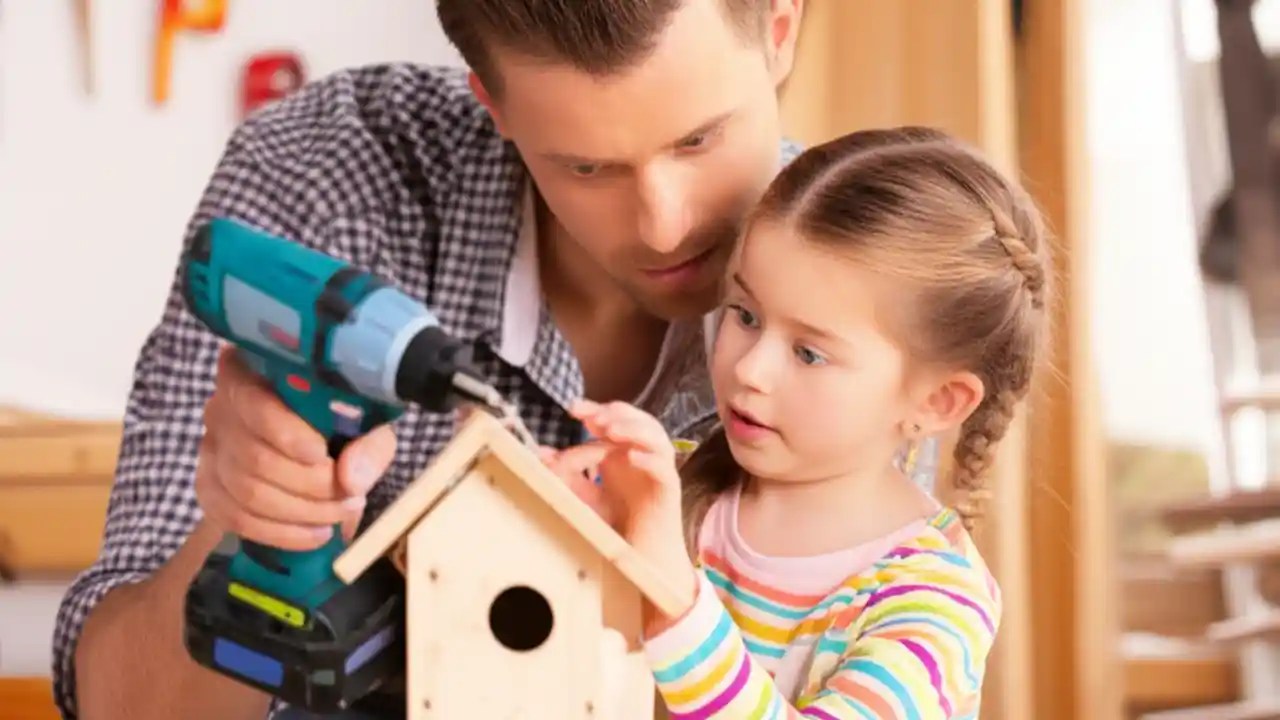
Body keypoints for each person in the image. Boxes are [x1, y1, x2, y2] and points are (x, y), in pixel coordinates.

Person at [51, 1, 836, 718]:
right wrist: (248, 522)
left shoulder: (875, 292)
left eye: (699, 139)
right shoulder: (324, 184)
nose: (664, 225)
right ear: (491, 103)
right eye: (587, 167)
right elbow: (116, 705)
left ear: (778, 28)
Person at [542, 126, 1052, 718]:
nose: (751, 369)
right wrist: (559, 521)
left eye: (809, 353)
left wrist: (672, 593)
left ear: (936, 403)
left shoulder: (932, 604)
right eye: (745, 314)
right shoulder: (674, 489)